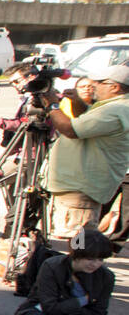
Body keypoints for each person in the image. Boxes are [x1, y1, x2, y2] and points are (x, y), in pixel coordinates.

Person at [43, 64, 129, 240]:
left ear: (115, 87)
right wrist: (78, 103)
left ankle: (76, 268)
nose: (93, 86)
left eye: (98, 82)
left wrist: (52, 105)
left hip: (81, 188)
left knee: (77, 242)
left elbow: (70, 130)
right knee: (77, 241)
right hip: (81, 185)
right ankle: (74, 265)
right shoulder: (114, 106)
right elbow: (89, 120)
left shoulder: (114, 110)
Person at [10, 227, 127, 315]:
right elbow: (50, 308)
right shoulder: (52, 266)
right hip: (45, 314)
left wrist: (74, 313)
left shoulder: (106, 276)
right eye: (90, 259)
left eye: (100, 259)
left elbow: (98, 314)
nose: (95, 264)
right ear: (77, 254)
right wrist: (83, 301)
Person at [0, 63, 39, 244]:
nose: (16, 86)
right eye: (11, 83)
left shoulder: (41, 99)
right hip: (20, 154)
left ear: (31, 77)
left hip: (29, 156)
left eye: (17, 81)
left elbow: (24, 124)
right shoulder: (28, 98)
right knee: (14, 197)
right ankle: (9, 236)